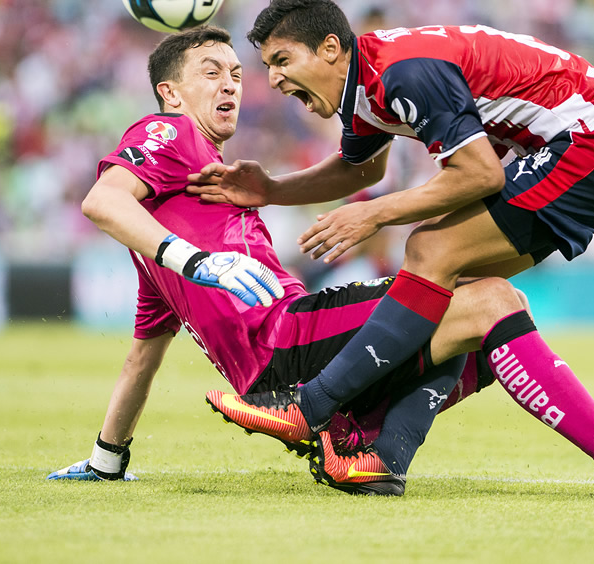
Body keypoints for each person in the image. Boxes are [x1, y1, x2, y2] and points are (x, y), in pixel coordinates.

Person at [188, 0, 594, 500]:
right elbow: (359, 168)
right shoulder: (365, 85)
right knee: (470, 294)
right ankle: (387, 454)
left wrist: (376, 214)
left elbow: (480, 174)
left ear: (331, 49)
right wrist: (272, 190)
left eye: (282, 60)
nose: (275, 80)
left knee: (432, 251)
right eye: (269, 67)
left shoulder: (403, 73)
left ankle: (313, 406)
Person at [46, 25, 556, 496]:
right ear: (170, 93)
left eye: (236, 75)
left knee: (476, 325)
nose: (231, 86)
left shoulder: (185, 213)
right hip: (290, 341)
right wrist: (197, 260)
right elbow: (103, 201)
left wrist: (106, 460)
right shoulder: (170, 133)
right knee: (486, 299)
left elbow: (142, 359)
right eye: (211, 73)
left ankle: (359, 442)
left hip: (283, 366)